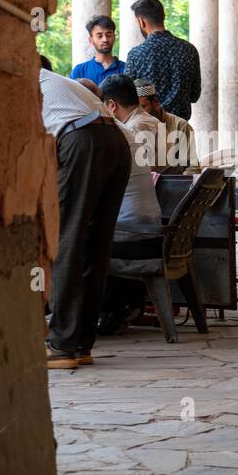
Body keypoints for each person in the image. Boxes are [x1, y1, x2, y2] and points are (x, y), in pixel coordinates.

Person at [35, 33, 131, 369]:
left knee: (67, 240)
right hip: (113, 141)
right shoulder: (58, 81)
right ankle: (79, 343)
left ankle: (62, 343)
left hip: (83, 142)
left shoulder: (23, 82)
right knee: (95, 244)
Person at [98, 73, 165, 336]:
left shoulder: (130, 130)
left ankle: (113, 306)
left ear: (111, 105)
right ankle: (125, 305)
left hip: (141, 228)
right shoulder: (153, 122)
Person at [123, 0, 201, 120]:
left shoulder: (136, 54)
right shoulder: (189, 50)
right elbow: (194, 95)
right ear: (162, 17)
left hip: (148, 129)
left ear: (141, 22)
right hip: (180, 128)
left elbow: (128, 97)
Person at [134, 79, 199, 172]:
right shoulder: (132, 126)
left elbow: (192, 167)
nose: (140, 113)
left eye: (143, 107)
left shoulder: (181, 126)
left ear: (156, 103)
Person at [69, 15, 125, 85]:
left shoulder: (126, 69)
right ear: (91, 40)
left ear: (114, 37)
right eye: (99, 36)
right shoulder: (79, 71)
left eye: (109, 35)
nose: (105, 39)